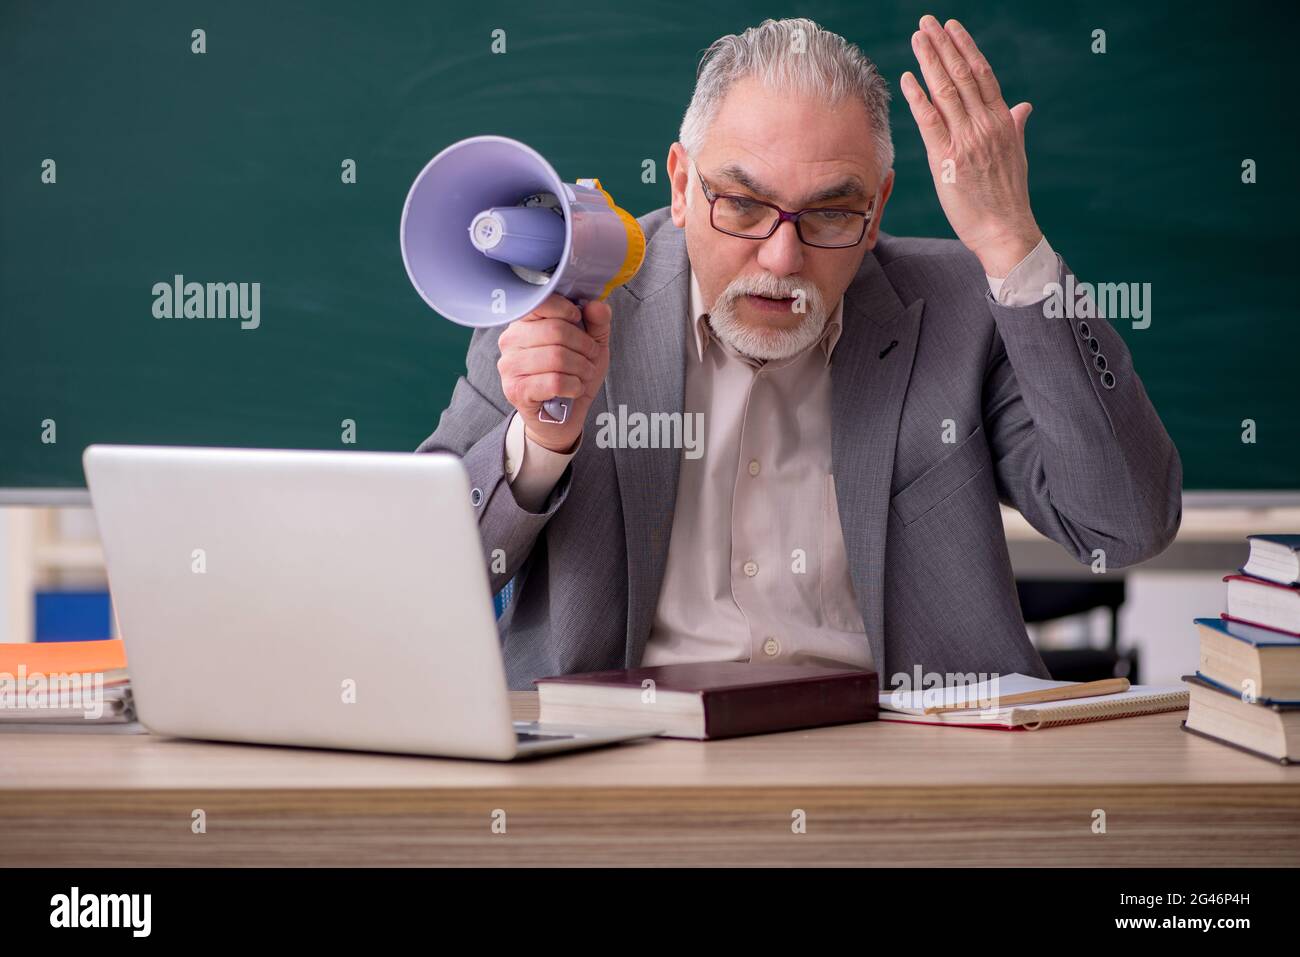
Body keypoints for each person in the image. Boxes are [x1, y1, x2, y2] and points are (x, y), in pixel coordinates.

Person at [417, 16, 1182, 690]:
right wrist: (540, 444)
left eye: (830, 212)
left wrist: (1014, 245)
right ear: (681, 185)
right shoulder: (560, 294)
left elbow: (1125, 524)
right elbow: (420, 577)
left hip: (904, 769)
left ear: (878, 207)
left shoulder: (960, 309)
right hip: (623, 761)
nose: (782, 259)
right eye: (743, 204)